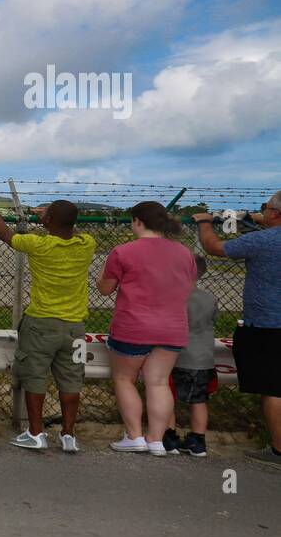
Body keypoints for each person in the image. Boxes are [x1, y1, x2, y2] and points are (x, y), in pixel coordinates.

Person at [0, 200, 97, 453]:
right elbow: (71, 229)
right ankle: (69, 434)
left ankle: (36, 432)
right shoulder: (87, 245)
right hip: (75, 326)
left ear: (48, 221)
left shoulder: (38, 245)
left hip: (41, 322)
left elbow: (5, 233)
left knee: (35, 376)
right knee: (72, 379)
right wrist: (52, 218)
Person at [98, 201, 196, 455]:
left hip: (133, 327)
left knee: (124, 379)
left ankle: (134, 437)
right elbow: (189, 287)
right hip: (173, 328)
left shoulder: (123, 252)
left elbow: (105, 289)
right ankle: (156, 440)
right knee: (159, 382)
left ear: (137, 221)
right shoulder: (184, 253)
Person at [194, 192, 281, 467]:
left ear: (274, 213)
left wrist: (205, 222)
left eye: (265, 208)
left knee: (274, 389)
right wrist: (257, 219)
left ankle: (279, 450)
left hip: (268, 325)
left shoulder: (264, 241)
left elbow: (215, 247)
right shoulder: (265, 234)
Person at [164, 255, 218, 458]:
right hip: (203, 359)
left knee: (168, 397)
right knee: (199, 401)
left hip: (178, 357)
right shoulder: (210, 298)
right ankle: (198, 441)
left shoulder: (173, 297)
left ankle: (169, 437)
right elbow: (213, 319)